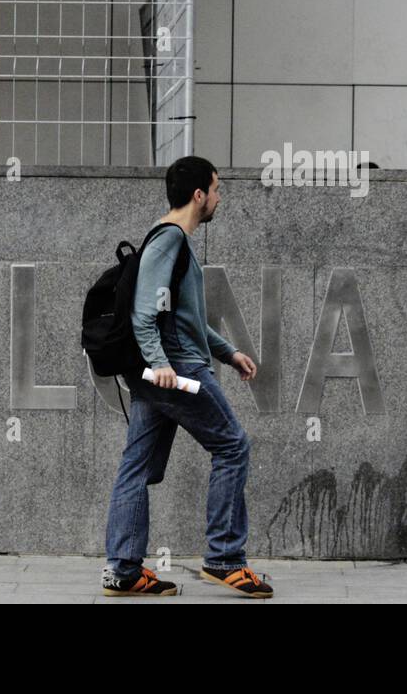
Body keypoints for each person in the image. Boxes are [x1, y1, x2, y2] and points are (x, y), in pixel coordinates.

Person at [102, 156, 273, 598]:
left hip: (160, 368)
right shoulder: (171, 240)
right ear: (199, 195)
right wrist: (161, 364)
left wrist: (229, 352)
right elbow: (146, 313)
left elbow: (187, 317)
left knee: (137, 468)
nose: (219, 198)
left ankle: (123, 571)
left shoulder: (170, 240)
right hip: (175, 369)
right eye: (216, 189)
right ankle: (224, 557)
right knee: (233, 445)